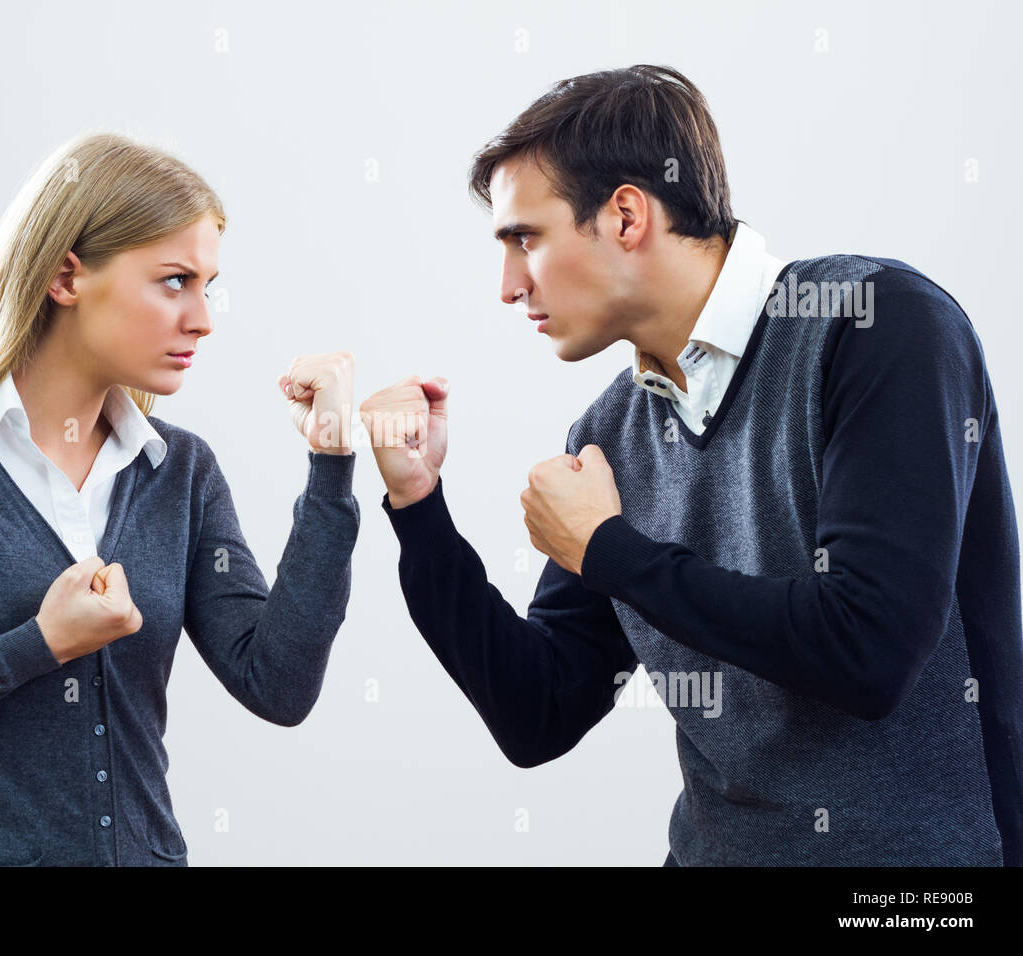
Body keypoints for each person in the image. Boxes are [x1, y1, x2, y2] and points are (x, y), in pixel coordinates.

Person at [360, 64, 1021, 866]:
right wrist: (420, 507)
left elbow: (868, 651)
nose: (507, 286)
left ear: (627, 215)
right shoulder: (607, 433)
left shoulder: (877, 324)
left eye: (524, 238)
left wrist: (608, 552)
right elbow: (537, 714)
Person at [0, 131, 360, 866]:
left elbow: (279, 685)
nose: (202, 317)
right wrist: (35, 645)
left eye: (208, 285)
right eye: (174, 281)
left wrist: (331, 465)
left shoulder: (180, 471)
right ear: (65, 277)